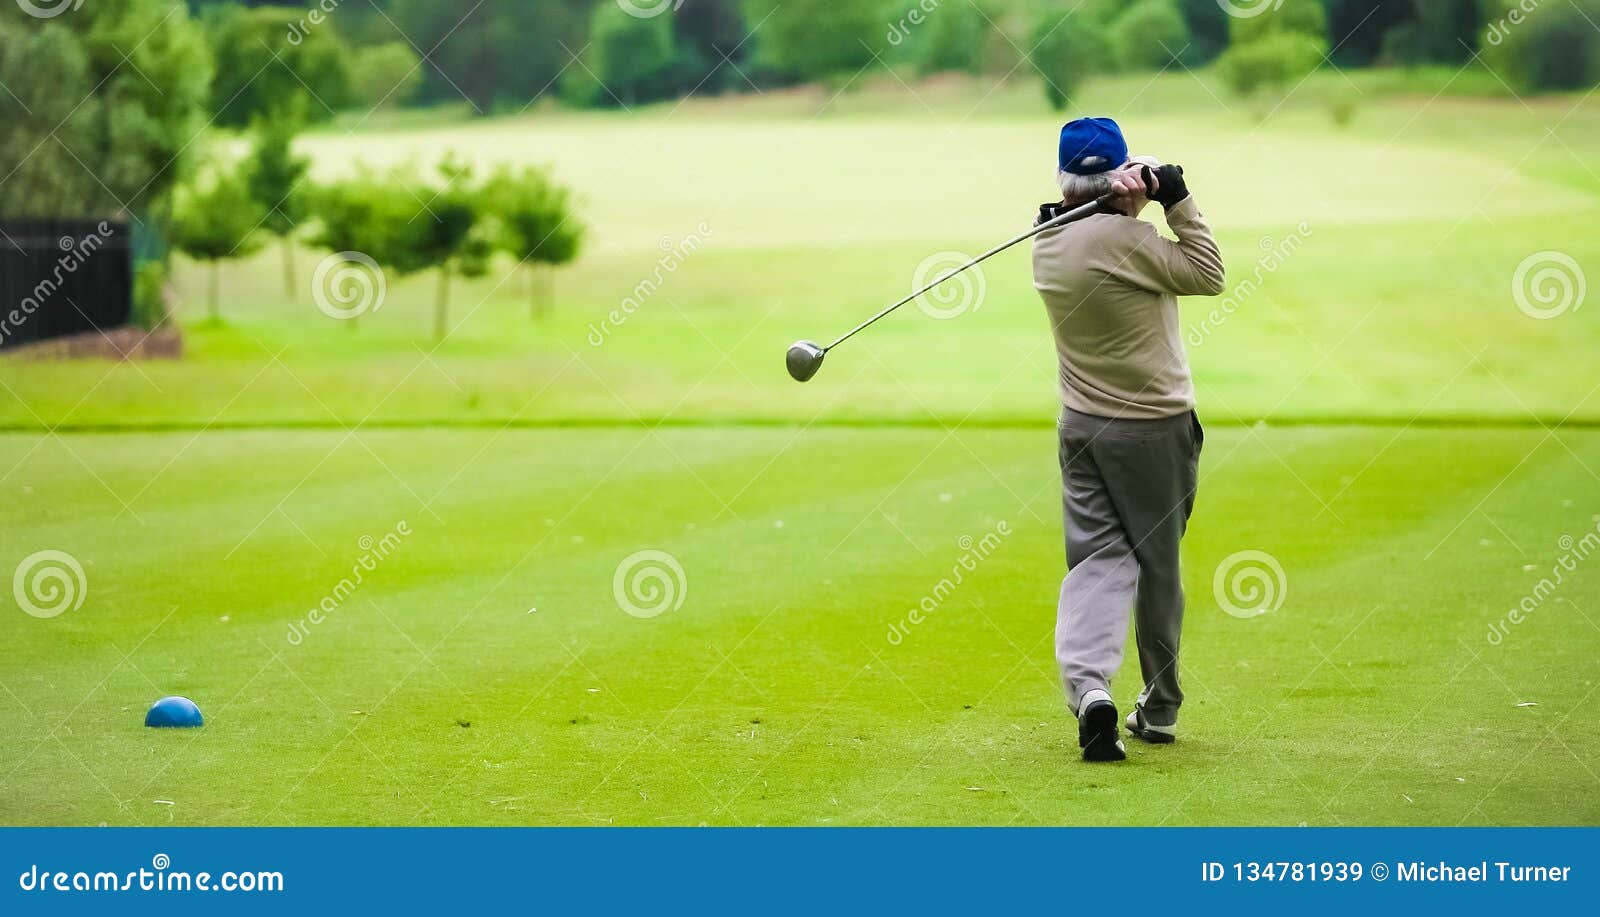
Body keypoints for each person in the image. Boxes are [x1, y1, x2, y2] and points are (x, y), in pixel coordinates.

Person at [1031, 117, 1226, 762]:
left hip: (1082, 430)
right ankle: (1161, 707)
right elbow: (1207, 273)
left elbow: (1083, 233)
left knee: (1098, 561)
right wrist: (1174, 198)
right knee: (1159, 566)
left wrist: (1109, 202)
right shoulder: (1130, 241)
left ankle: (1090, 691)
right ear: (1116, 175)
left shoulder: (1044, 247)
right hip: (1156, 433)